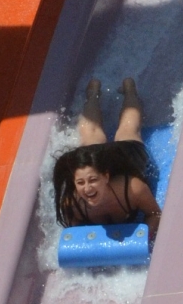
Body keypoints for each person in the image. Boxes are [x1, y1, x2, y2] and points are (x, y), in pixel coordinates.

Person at [53, 75, 161, 236]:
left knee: (127, 130)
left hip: (128, 156)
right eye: (80, 182)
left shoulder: (133, 189)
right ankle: (93, 94)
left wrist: (143, 239)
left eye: (93, 180)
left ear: (105, 176)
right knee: (91, 135)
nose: (87, 188)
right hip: (104, 163)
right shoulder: (73, 204)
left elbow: (154, 214)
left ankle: (130, 90)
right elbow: (75, 235)